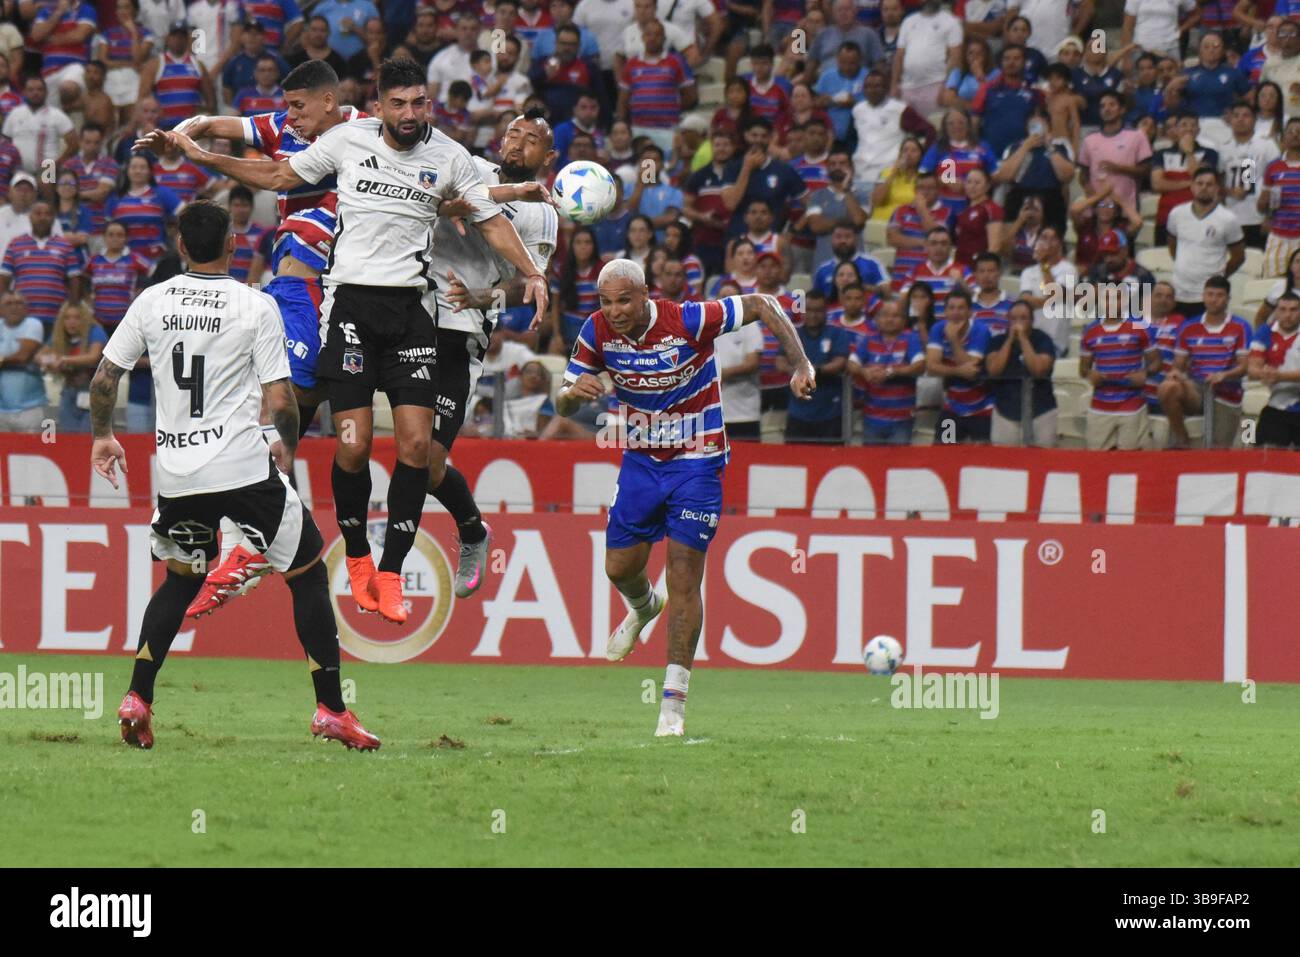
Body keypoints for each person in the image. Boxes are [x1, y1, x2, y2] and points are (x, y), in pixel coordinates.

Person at [153, 58, 548, 623]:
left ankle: (387, 570)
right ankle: (338, 553)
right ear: (379, 105)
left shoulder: (450, 155)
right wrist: (199, 153)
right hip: (350, 311)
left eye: (420, 103)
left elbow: (486, 212)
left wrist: (531, 272)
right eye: (400, 104)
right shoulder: (344, 138)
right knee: (349, 442)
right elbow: (277, 172)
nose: (411, 114)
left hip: (420, 316)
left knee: (418, 452)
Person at [88, 200, 380, 752]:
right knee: (308, 571)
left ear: (179, 247)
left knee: (180, 577)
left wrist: (103, 436)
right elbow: (281, 399)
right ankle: (331, 710)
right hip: (245, 469)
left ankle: (138, 698)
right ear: (232, 245)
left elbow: (106, 377)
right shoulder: (255, 305)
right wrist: (287, 448)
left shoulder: (152, 301)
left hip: (177, 472)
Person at [555, 258, 813, 736]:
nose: (614, 310)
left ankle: (671, 707)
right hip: (640, 462)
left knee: (684, 576)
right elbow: (562, 400)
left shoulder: (689, 319)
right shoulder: (595, 331)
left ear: (646, 295)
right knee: (619, 568)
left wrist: (800, 362)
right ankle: (642, 606)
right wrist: (575, 394)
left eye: (624, 300)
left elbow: (763, 303)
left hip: (698, 462)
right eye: (607, 301)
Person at [430, 112, 560, 597]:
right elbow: (431, 204)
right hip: (410, 316)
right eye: (513, 135)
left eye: (531, 141)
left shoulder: (542, 212)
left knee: (426, 464)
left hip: (462, 330)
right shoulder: (469, 169)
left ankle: (472, 530)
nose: (518, 144)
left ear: (547, 159)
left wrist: (484, 298)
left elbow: (527, 288)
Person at [1159, 274, 1251, 448]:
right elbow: (1179, 364)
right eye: (1210, 294)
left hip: (1226, 390)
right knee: (1168, 387)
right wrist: (1175, 373)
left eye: (1219, 295)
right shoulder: (1188, 327)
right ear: (1203, 296)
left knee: (1219, 451)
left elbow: (1244, 366)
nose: (1214, 300)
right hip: (1197, 388)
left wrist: (1224, 374)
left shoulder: (1241, 326)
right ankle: (1182, 441)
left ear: (1228, 299)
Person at [1079, 291, 1158, 450]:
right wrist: (1090, 373)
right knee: (1096, 463)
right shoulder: (1090, 330)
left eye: (1117, 298)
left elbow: (1157, 362)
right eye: (1107, 298)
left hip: (1132, 405)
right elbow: (1082, 369)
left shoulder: (1140, 325)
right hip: (1100, 406)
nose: (1112, 302)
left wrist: (1145, 374)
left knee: (1131, 463)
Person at [1167, 167, 1245, 317]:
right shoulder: (1177, 213)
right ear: (1192, 186)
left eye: (1209, 184)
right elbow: (1172, 244)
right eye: (1200, 183)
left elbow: (1239, 257)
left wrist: (1219, 277)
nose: (1204, 187)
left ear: (1217, 188)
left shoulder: (1228, 219)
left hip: (1209, 295)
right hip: (1179, 291)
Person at [849, 297, 925, 445]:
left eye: (895, 316)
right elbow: (851, 363)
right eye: (885, 315)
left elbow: (920, 365)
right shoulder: (868, 339)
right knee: (872, 465)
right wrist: (864, 372)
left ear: (903, 320)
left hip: (902, 419)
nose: (890, 319)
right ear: (876, 319)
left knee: (898, 465)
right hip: (872, 417)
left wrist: (890, 372)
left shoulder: (911, 338)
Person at [983, 299, 1057, 446]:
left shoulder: (1043, 340)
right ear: (1007, 320)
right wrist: (1010, 341)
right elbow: (993, 370)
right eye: (1014, 318)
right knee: (1005, 461)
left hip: (1041, 411)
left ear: (1032, 320)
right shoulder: (998, 341)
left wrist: (1023, 339)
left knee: (1043, 459)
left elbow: (1038, 370)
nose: (1018, 322)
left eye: (1023, 318)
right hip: (1006, 410)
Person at [925, 286, 992, 443]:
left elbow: (971, 369)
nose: (956, 312)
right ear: (945, 312)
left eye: (961, 308)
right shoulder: (937, 329)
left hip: (981, 409)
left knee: (982, 460)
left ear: (970, 312)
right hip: (952, 407)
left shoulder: (981, 330)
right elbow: (931, 366)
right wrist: (958, 371)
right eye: (951, 308)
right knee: (944, 455)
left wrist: (953, 339)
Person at [38, 301, 106, 433]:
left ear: (85, 319)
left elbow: (93, 356)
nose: (71, 322)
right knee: (69, 439)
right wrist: (52, 362)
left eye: (77, 317)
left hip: (93, 392)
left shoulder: (95, 331)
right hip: (69, 391)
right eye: (67, 318)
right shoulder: (60, 336)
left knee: (88, 439)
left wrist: (63, 359)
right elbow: (39, 357)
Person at [1219, 100, 1279, 249]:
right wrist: (1230, 191)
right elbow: (1218, 183)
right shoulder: (1223, 147)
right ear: (1230, 119)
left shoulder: (1267, 145)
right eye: (1236, 115)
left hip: (1258, 217)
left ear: (1254, 119)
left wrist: (1271, 216)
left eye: (1246, 115)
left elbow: (1278, 180)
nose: (1240, 119)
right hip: (1230, 216)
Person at [890, 0, 963, 119]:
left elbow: (956, 58)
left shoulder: (951, 22)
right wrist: (894, 84)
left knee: (933, 130)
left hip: (936, 85)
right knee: (907, 133)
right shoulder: (908, 21)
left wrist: (949, 87)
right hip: (907, 86)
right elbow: (899, 55)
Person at [1248, 290, 1300, 448]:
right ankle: (1245, 446)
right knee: (1254, 445)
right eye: (1283, 309)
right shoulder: (1265, 331)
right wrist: (1265, 373)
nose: (1287, 315)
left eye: (1293, 310)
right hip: (1277, 404)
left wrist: (1280, 376)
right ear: (1275, 311)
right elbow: (1252, 369)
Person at [0, 290, 46, 432]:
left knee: (33, 450)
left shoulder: (33, 324)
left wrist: (2, 359)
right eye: (8, 304)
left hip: (31, 408)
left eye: (19, 303)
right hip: (2, 408)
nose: (14, 307)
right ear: (1, 309)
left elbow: (23, 356)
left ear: (26, 308)